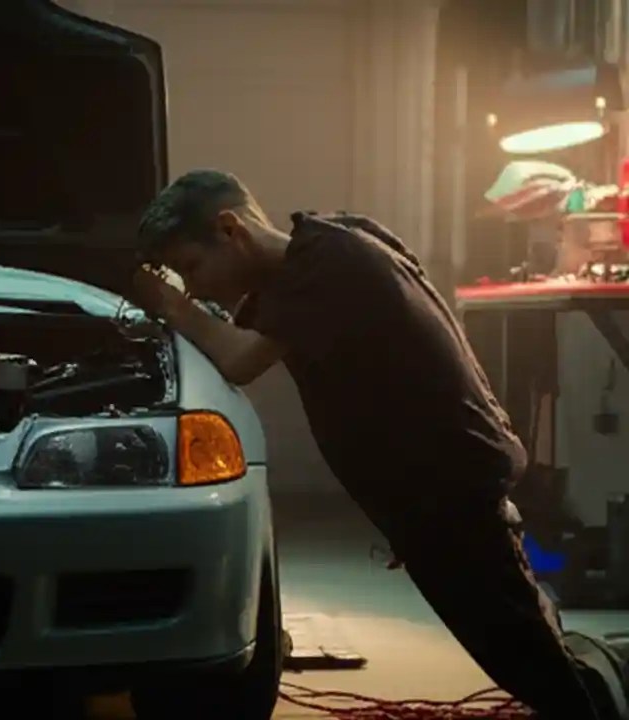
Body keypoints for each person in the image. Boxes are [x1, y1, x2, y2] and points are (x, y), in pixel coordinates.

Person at [130, 169, 629, 720]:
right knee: (522, 631)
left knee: (534, 667)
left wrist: (168, 305)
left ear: (231, 230)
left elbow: (240, 358)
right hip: (444, 482)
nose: (194, 287)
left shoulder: (318, 272)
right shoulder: (332, 238)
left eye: (192, 268)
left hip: (449, 487)